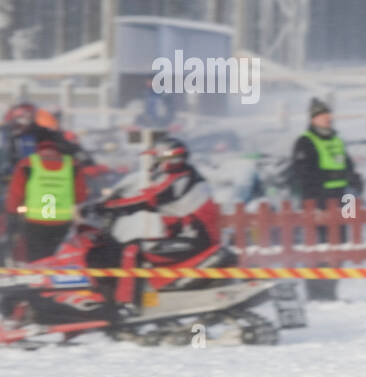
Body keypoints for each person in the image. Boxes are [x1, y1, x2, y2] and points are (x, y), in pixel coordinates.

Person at [85, 136, 221, 315]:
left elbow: (148, 198)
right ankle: (145, 296)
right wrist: (115, 204)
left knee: (132, 250)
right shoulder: (185, 175)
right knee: (139, 249)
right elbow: (148, 197)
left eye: (157, 158)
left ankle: (127, 304)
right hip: (191, 234)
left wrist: (107, 206)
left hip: (195, 237)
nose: (155, 163)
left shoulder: (180, 178)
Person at [289, 98, 363, 300]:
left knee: (338, 245)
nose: (328, 119)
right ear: (314, 119)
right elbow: (303, 174)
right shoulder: (305, 142)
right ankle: (318, 292)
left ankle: (331, 290)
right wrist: (318, 194)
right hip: (318, 202)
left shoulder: (336, 140)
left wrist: (354, 180)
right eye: (323, 115)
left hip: (338, 201)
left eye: (328, 115)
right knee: (320, 247)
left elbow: (346, 166)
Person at [4, 134, 88, 262]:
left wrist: (12, 213)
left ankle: (39, 279)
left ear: (38, 148)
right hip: (62, 223)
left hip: (35, 222)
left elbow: (15, 193)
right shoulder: (72, 165)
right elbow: (80, 195)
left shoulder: (28, 164)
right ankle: (55, 279)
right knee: (59, 258)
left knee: (37, 258)